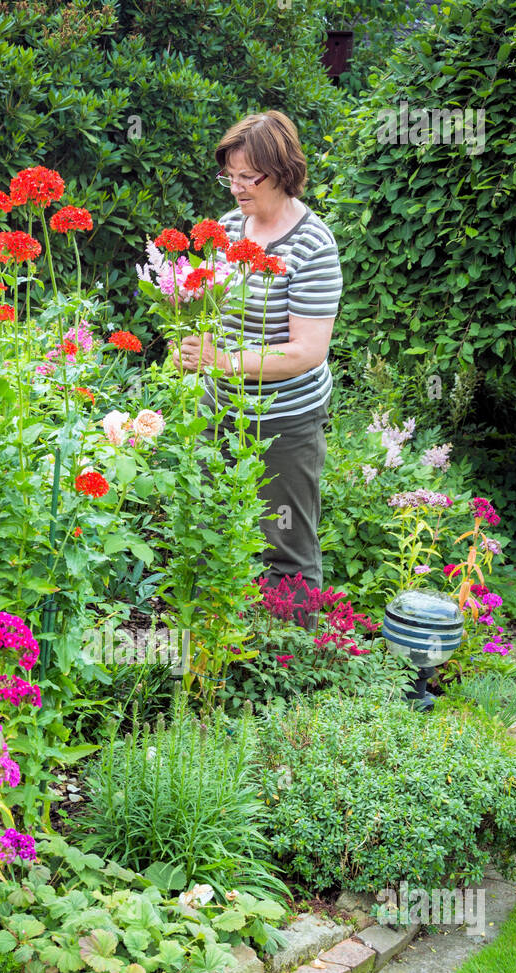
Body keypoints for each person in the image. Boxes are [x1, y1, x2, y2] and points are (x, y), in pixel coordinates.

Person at [170, 110, 343, 628]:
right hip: (220, 408)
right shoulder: (226, 230)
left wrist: (222, 360)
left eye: (249, 176)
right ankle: (220, 647)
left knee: (285, 544)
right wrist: (194, 339)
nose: (237, 188)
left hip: (284, 419)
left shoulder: (312, 244)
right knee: (210, 526)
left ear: (283, 170)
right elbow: (213, 308)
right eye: (230, 176)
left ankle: (289, 664)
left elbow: (306, 351)